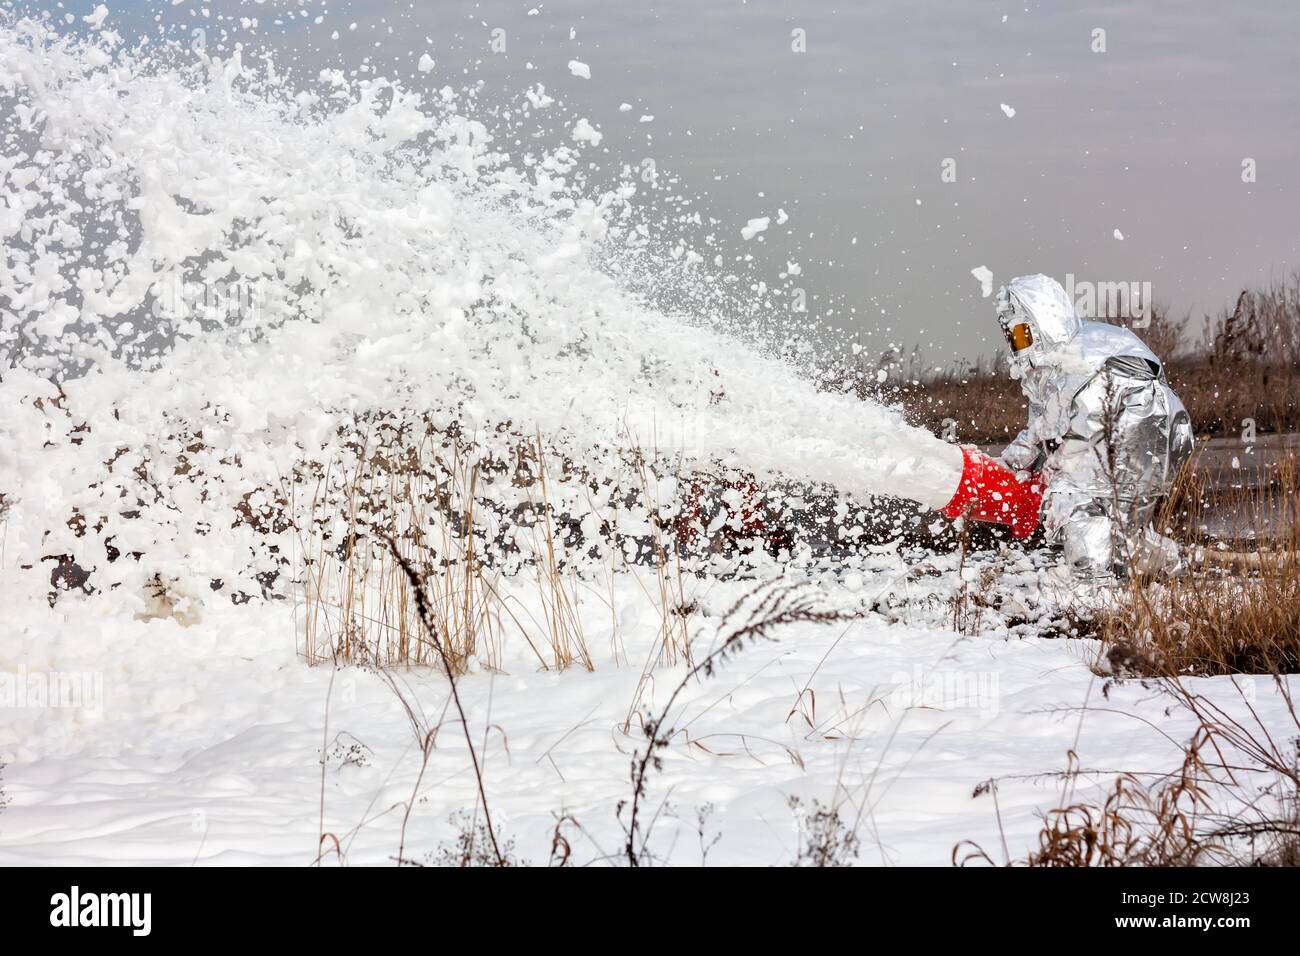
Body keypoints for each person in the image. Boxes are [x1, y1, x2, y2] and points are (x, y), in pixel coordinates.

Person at [989, 273, 1194, 580]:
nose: (1019, 346)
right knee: (1121, 531)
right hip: (1158, 430)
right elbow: (1038, 431)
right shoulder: (1056, 367)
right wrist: (1002, 467)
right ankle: (1170, 564)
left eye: (1023, 334)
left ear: (1042, 321)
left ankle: (1093, 586)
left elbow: (1087, 421)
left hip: (1137, 424)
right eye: (1013, 337)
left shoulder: (1077, 357)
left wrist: (1057, 471)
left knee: (1075, 499)